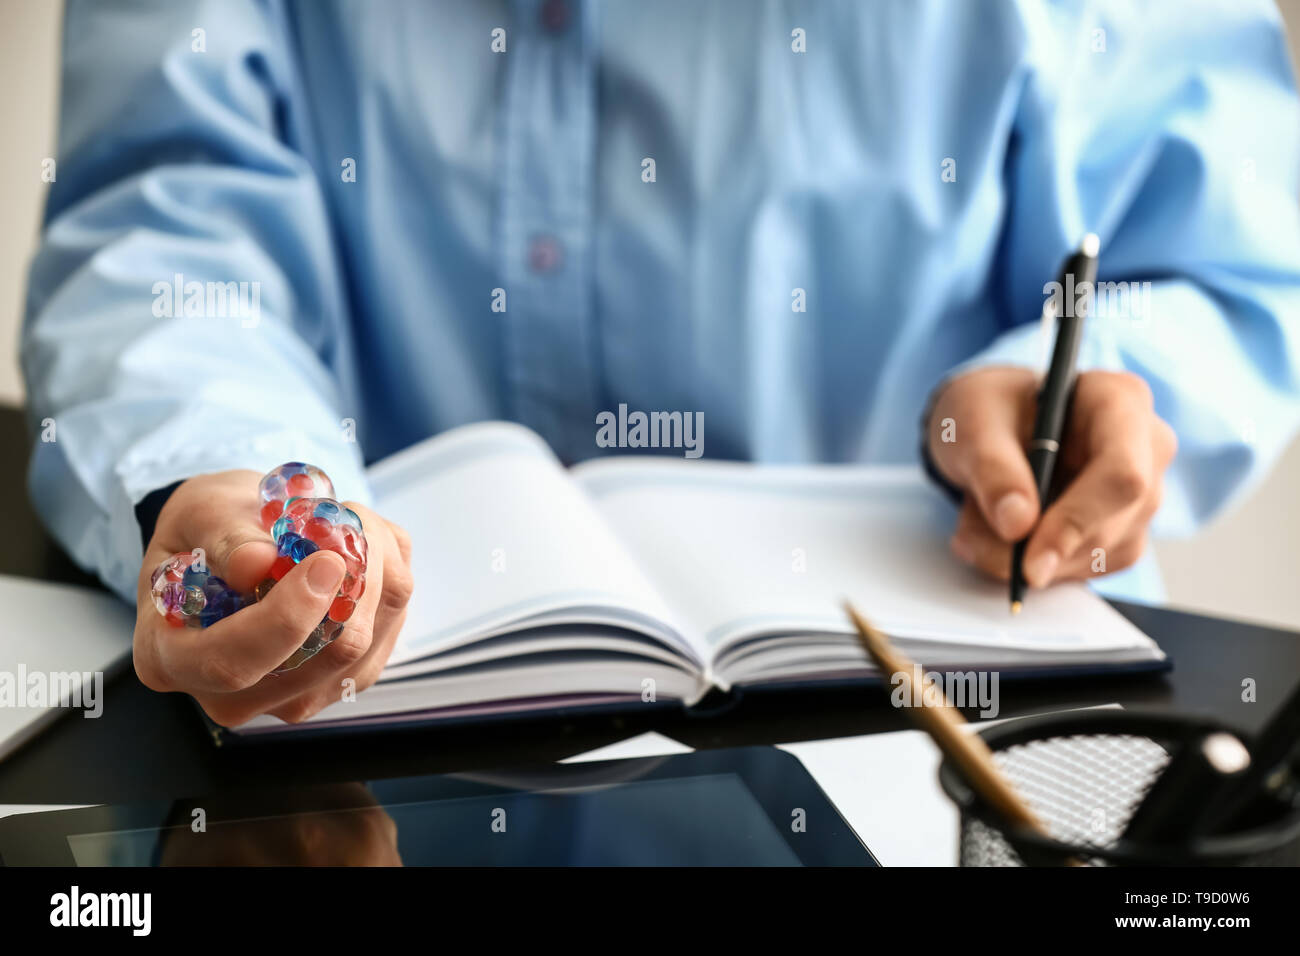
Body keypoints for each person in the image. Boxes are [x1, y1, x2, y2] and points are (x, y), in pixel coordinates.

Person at [22, 0, 1300, 726]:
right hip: (368, 752)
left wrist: (1071, 391)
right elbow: (166, 217)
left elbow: (1211, 264)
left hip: (928, 729)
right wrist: (216, 468)